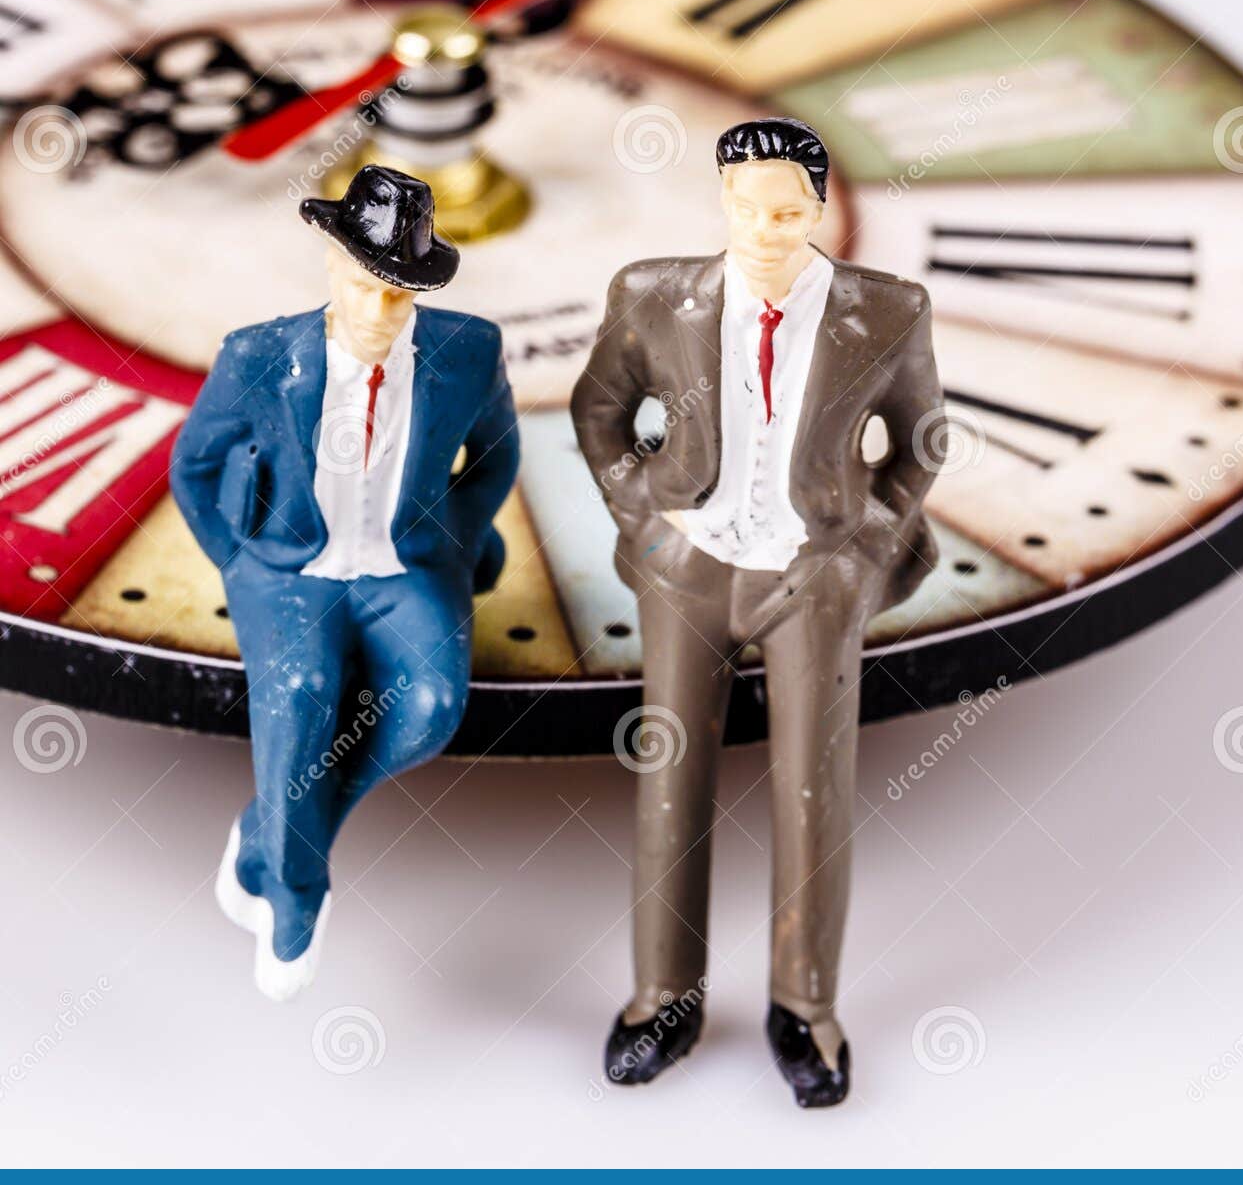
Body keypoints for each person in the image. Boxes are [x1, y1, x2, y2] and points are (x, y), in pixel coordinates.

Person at [572, 117, 945, 1107]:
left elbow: (923, 439)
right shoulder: (654, 295)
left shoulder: (887, 311)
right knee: (668, 781)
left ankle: (805, 1008)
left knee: (812, 793)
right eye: (748, 209)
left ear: (820, 209)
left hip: (809, 573)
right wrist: (641, 517)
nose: (768, 230)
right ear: (721, 204)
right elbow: (599, 411)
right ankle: (662, 998)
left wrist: (864, 550)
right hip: (689, 563)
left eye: (787, 212)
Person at [171, 166, 518, 1001]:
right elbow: (193, 464)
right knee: (300, 689)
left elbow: (497, 457)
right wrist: (239, 559)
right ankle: (294, 891)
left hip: (404, 567)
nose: (375, 313)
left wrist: (454, 539)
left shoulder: (467, 350)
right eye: (363, 287)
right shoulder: (257, 353)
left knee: (431, 708)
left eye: (396, 297)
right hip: (289, 573)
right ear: (332, 263)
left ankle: (272, 829)